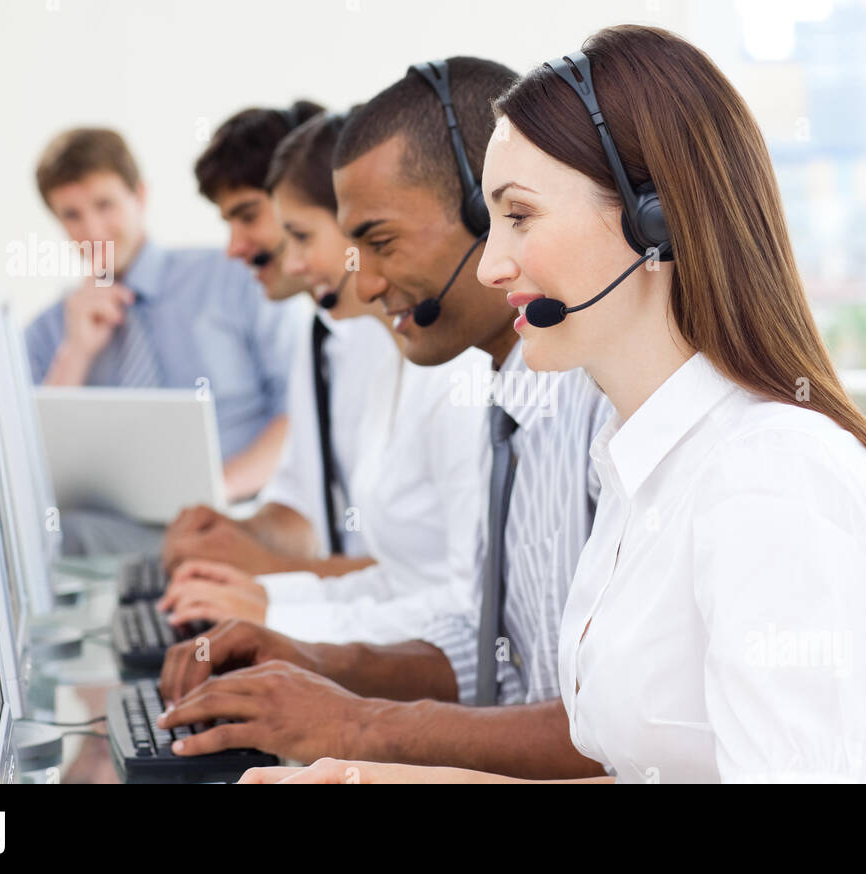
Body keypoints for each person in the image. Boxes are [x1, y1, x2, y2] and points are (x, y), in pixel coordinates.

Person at [242, 24, 866, 784]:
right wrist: (372, 777)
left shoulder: (773, 476)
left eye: (519, 217)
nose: (492, 266)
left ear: (653, 218)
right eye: (491, 224)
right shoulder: (642, 466)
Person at [154, 57, 611, 780]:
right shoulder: (508, 396)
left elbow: (600, 732)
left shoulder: (588, 406)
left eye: (380, 241)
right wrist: (310, 658)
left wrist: (355, 725)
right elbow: (491, 645)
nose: (359, 280)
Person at [159, 109, 491, 645]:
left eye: (301, 236)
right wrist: (261, 597)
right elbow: (395, 576)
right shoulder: (386, 363)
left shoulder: (455, 380)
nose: (293, 262)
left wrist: (273, 612)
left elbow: (469, 613)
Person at [24, 127, 298, 554]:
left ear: (140, 196)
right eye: (71, 215)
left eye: (104, 205)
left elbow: (298, 412)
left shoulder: (236, 277)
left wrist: (216, 491)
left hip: (242, 513)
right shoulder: (50, 330)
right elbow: (32, 465)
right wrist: (76, 352)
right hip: (121, 535)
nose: (93, 228)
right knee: (46, 541)